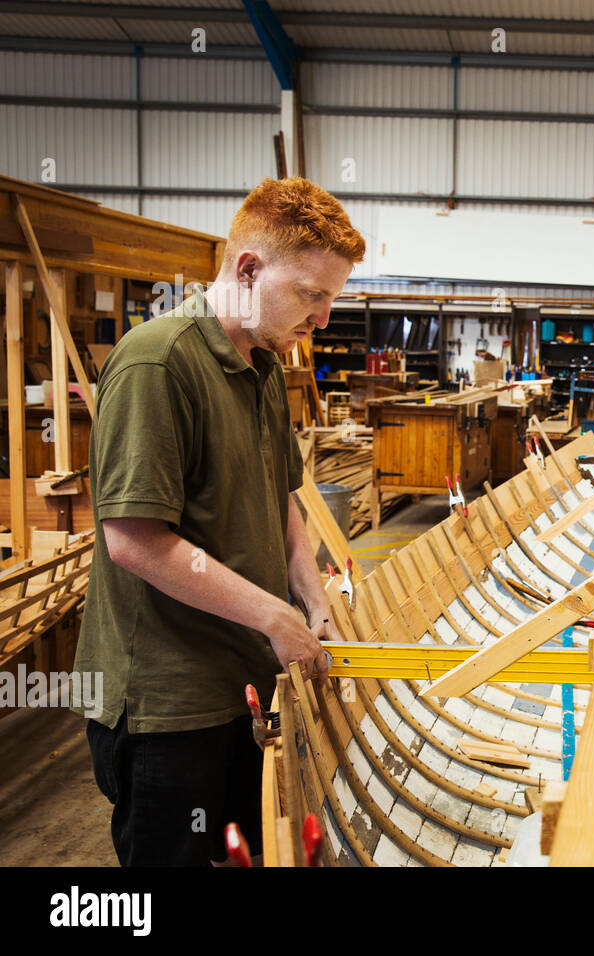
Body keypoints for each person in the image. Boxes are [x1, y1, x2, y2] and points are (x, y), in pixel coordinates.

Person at [71, 177, 365, 866]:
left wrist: (313, 594)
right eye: (312, 294)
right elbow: (135, 543)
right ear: (249, 269)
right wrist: (272, 615)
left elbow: (282, 497)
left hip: (243, 689)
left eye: (331, 298)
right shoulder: (158, 362)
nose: (322, 319)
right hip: (169, 707)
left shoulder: (262, 366)